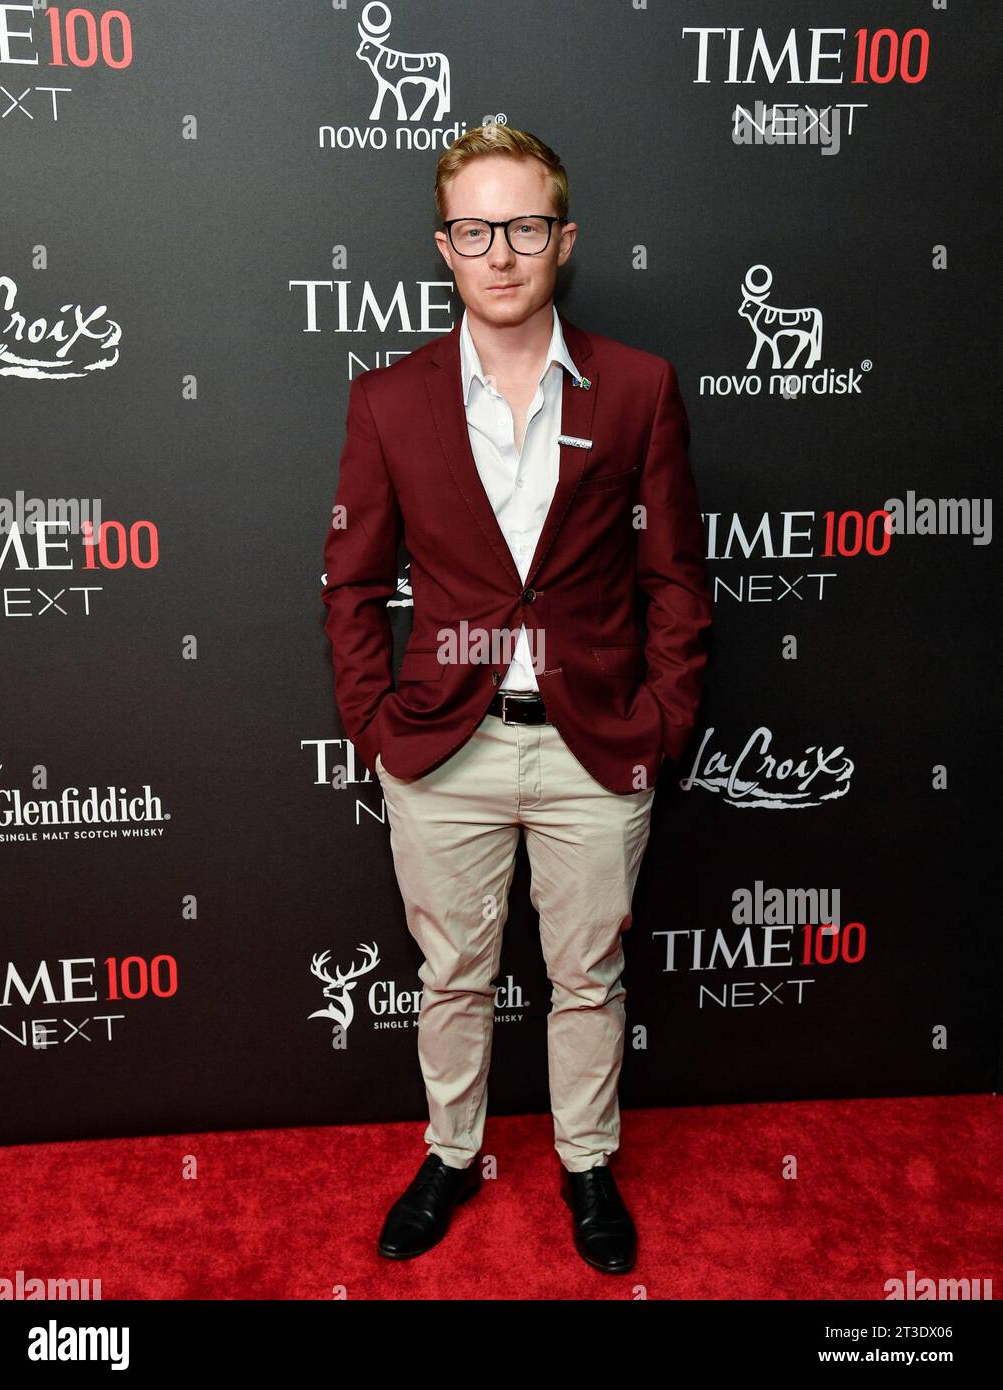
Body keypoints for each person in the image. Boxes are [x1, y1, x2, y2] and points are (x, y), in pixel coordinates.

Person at [322, 124, 712, 1274]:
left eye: (524, 227)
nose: (500, 252)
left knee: (587, 975)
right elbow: (350, 582)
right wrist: (376, 727)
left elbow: (675, 580)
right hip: (443, 748)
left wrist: (661, 723)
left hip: (595, 745)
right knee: (451, 973)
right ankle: (451, 1153)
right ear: (444, 246)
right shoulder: (387, 402)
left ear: (563, 240)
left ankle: (586, 1162)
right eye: (475, 230)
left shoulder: (637, 387)